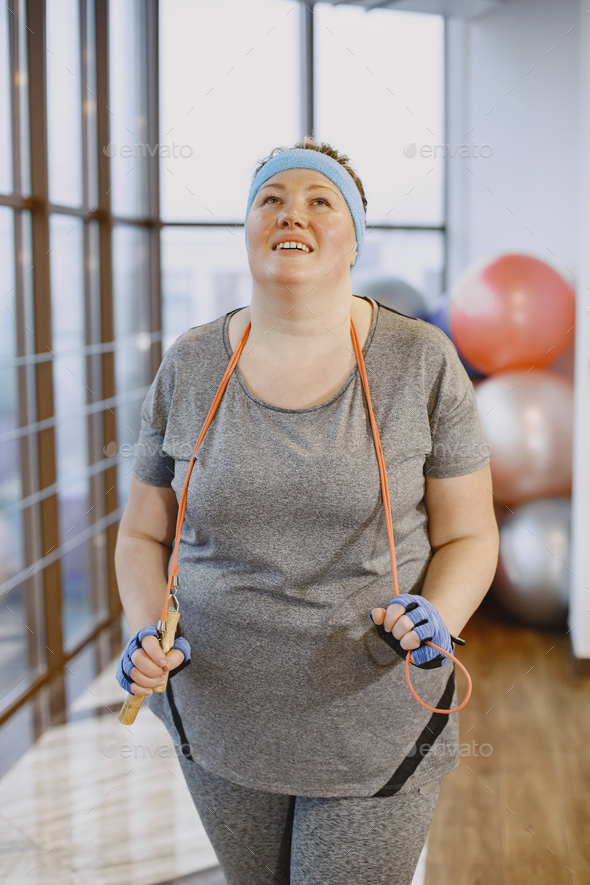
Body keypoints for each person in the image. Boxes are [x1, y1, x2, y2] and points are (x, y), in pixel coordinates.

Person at [114, 136, 500, 885]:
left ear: (353, 236)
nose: (293, 211)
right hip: (220, 716)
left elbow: (469, 533)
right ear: (250, 228)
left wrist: (440, 614)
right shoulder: (190, 363)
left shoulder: (420, 360)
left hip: (373, 717)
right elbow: (141, 531)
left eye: (321, 200)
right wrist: (140, 630)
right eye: (271, 198)